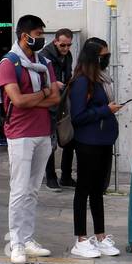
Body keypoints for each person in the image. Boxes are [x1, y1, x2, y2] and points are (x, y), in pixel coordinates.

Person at [0, 15, 61, 264]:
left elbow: (56, 98)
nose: (41, 38)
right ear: (24, 36)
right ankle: (16, 243)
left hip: (42, 132)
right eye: (38, 34)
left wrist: (39, 96)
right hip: (20, 134)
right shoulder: (8, 63)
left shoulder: (44, 62)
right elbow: (18, 101)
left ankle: (28, 237)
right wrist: (44, 93)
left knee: (33, 190)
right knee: (20, 190)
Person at [66, 37, 122, 258]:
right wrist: (105, 111)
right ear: (94, 57)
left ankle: (100, 236)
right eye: (104, 55)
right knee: (83, 190)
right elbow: (78, 116)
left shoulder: (99, 79)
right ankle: (80, 238)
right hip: (88, 142)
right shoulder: (82, 82)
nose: (106, 59)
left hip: (103, 140)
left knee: (98, 190)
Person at [41, 28, 75, 190]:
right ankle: (51, 176)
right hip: (49, 101)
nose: (66, 49)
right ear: (55, 42)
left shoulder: (67, 56)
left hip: (63, 99)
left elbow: (68, 75)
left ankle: (66, 176)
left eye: (68, 45)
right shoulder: (44, 56)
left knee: (69, 137)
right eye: (63, 45)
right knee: (51, 140)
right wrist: (55, 84)